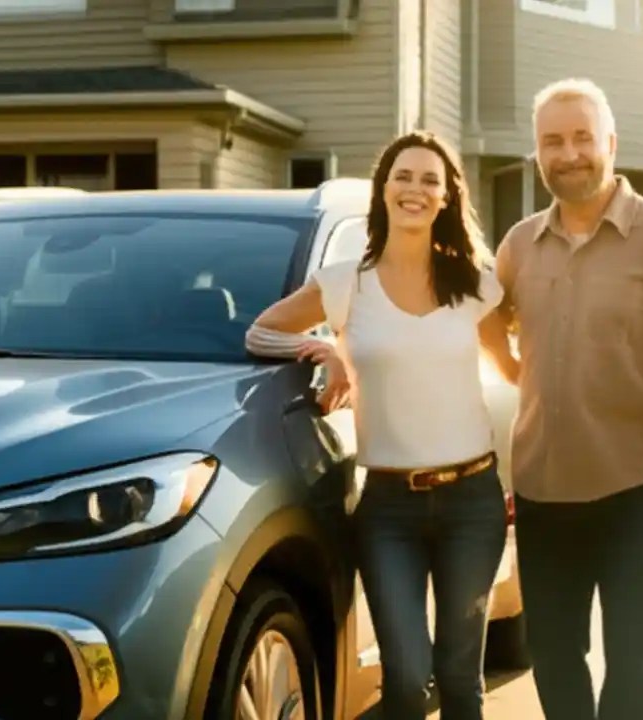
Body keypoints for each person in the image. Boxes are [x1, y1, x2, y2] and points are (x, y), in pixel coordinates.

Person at [245, 130, 519, 720]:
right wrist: (325, 351)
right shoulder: (346, 281)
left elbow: (515, 374)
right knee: (406, 679)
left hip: (472, 502)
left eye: (429, 180)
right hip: (389, 509)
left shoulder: (474, 282)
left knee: (459, 679)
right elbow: (261, 332)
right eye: (403, 176)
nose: (415, 189)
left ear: (447, 197)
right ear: (384, 189)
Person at [493, 78, 643, 720]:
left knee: (634, 663)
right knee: (553, 655)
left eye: (583, 137)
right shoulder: (518, 246)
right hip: (544, 489)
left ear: (611, 144)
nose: (568, 153)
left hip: (642, 487)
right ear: (537, 153)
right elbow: (484, 324)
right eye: (552, 141)